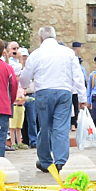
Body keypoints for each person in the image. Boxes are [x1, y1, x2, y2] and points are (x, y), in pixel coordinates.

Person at [19, 26, 79, 175]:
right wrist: (82, 97)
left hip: (44, 91)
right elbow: (77, 75)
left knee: (44, 127)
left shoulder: (36, 54)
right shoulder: (68, 53)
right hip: (64, 91)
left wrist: (24, 86)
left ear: (41, 39)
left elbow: (25, 76)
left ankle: (45, 161)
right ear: (55, 36)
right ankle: (61, 161)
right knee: (61, 127)